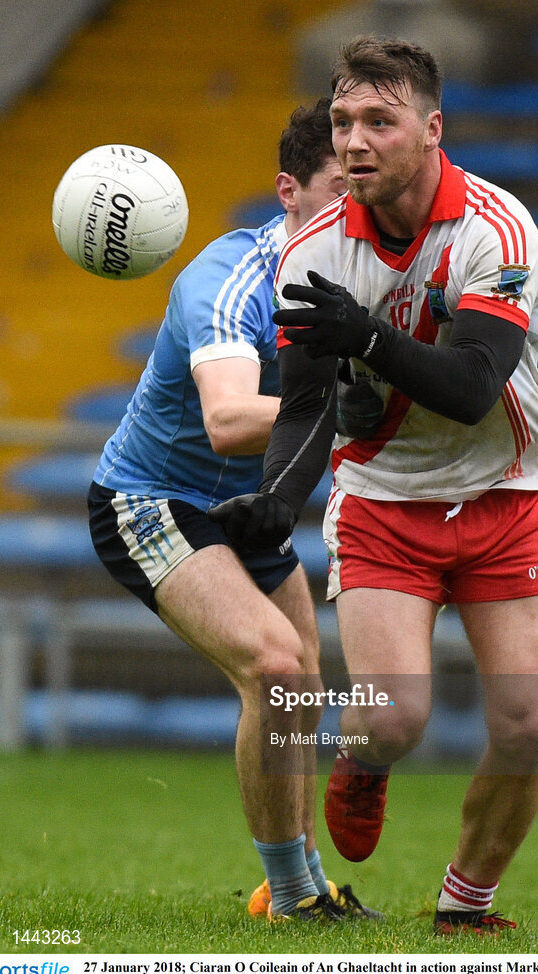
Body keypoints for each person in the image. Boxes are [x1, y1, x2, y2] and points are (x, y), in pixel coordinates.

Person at [209, 37, 538, 935]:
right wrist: (278, 503)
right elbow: (303, 410)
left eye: (380, 119)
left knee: (527, 724)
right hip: (384, 504)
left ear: (431, 128)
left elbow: (471, 388)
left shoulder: (499, 229)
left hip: (510, 494)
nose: (357, 140)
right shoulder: (311, 253)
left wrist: (365, 338)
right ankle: (363, 760)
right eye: (342, 122)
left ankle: (465, 907)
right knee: (395, 719)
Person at [87, 98, 380, 923]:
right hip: (152, 501)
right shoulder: (228, 280)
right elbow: (225, 421)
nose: (352, 212)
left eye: (363, 191)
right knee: (276, 668)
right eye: (334, 190)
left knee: (301, 689)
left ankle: (303, 887)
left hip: (246, 509)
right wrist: (355, 402)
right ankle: (291, 896)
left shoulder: (358, 279)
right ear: (288, 191)